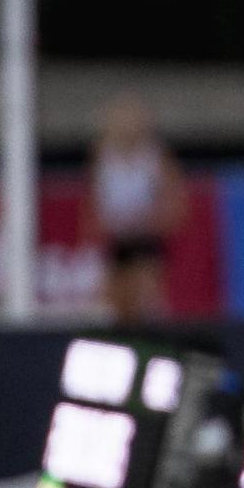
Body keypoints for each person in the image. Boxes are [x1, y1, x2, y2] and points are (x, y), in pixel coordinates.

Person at [85, 94, 188, 324]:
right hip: (117, 240)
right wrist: (110, 225)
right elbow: (92, 210)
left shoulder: (156, 158)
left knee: (145, 300)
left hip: (147, 240)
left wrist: (145, 222)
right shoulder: (102, 156)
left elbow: (176, 207)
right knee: (117, 307)